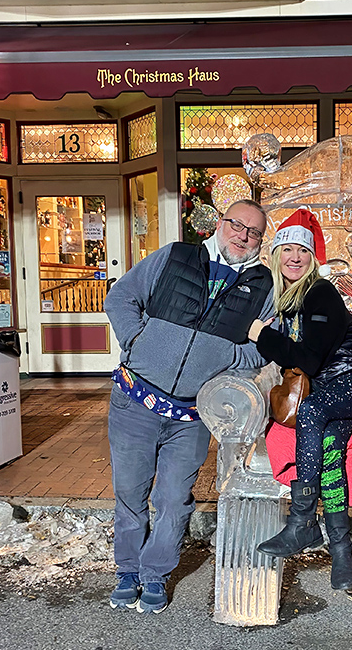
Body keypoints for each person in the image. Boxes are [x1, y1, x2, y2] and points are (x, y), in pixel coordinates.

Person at [104, 200, 273, 614]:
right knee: (130, 492)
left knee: (175, 497)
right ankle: (127, 569)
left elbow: (264, 347)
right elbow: (120, 297)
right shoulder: (177, 256)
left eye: (253, 232)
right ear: (221, 223)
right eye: (237, 225)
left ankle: (155, 574)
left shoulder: (263, 286)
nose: (243, 236)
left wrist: (229, 360)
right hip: (135, 400)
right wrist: (138, 340)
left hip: (192, 416)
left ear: (259, 241)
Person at [248, 209, 352, 591]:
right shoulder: (288, 302)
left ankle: (302, 523)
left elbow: (308, 359)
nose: (294, 257)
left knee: (312, 409)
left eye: (303, 251)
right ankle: (342, 553)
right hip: (333, 393)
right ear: (276, 255)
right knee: (330, 448)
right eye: (287, 249)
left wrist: (259, 334)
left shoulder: (319, 292)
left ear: (312, 259)